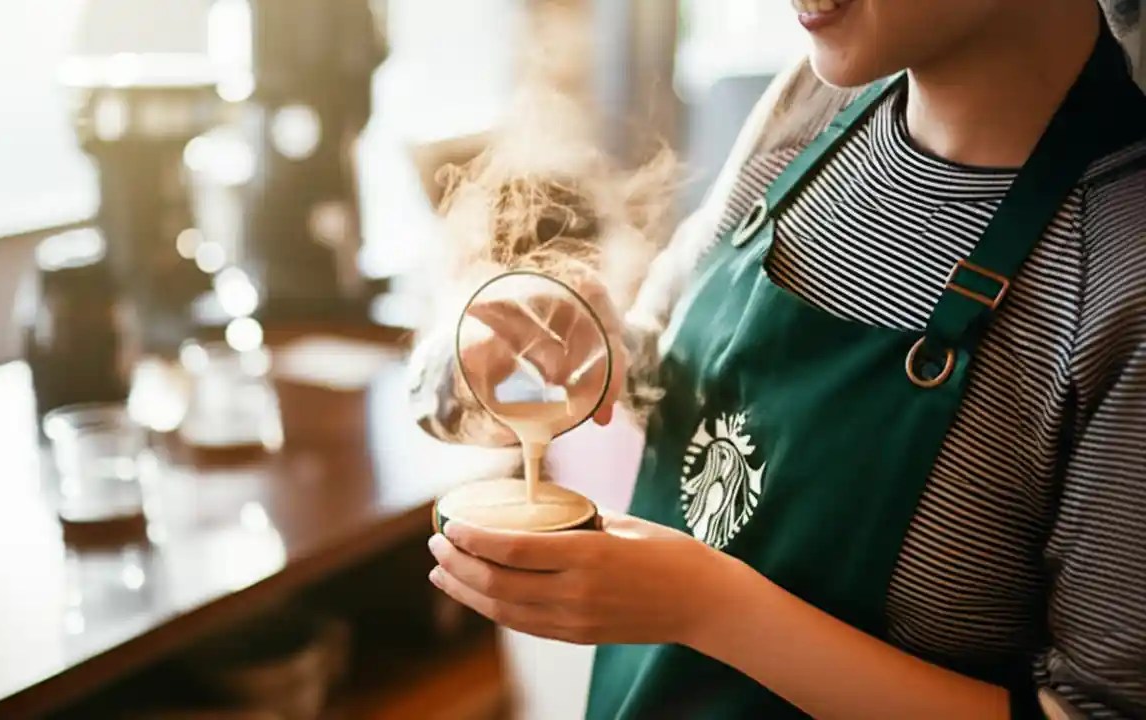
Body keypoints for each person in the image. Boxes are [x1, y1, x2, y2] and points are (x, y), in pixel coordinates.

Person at [408, 0, 1146, 717]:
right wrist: (531, 346)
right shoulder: (814, 105)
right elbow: (659, 373)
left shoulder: (1119, 269)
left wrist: (709, 608)